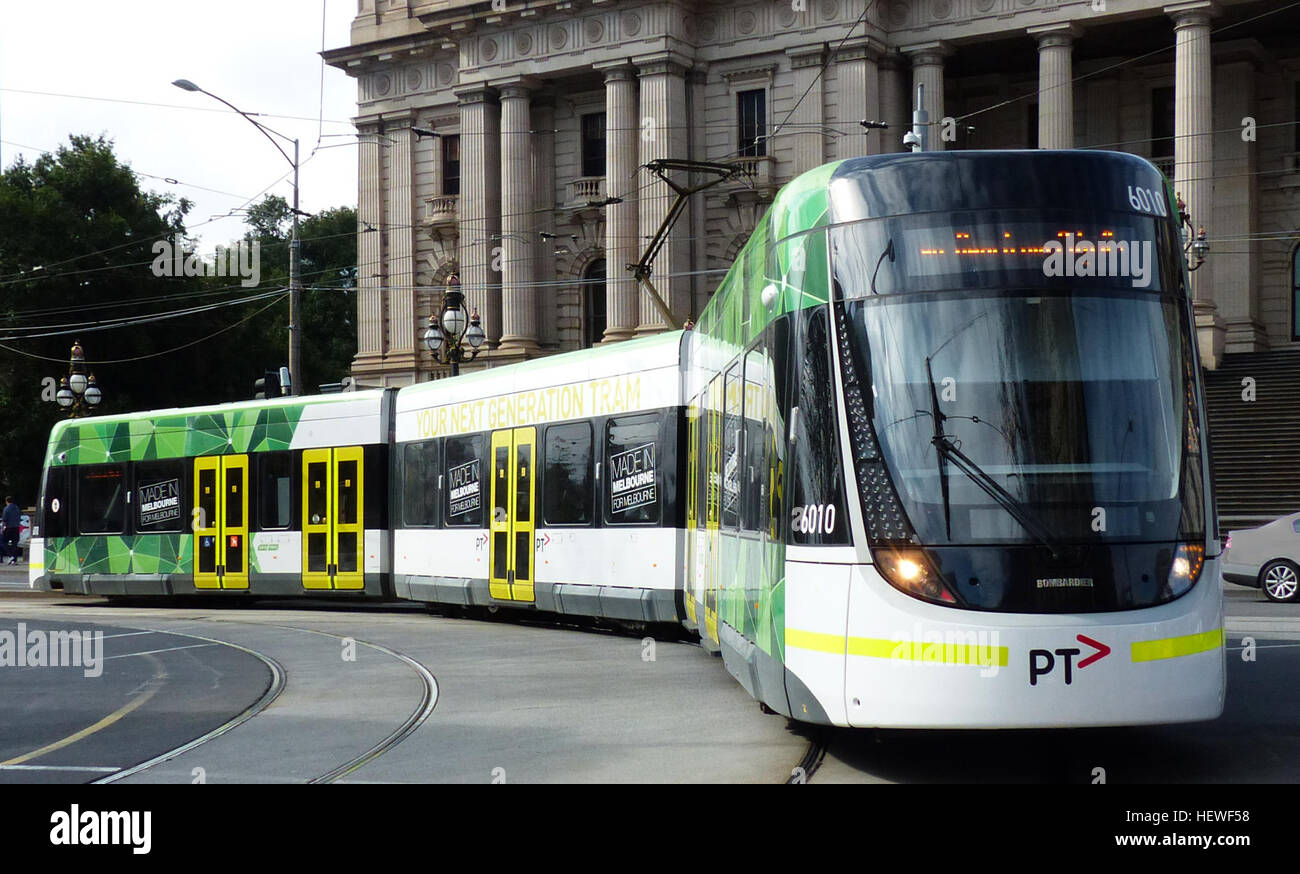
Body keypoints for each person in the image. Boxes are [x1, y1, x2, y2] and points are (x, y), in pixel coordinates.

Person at [2, 496, 21, 565]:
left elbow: (4, 520)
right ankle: (14, 560)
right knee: (15, 543)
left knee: (4, 542)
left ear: (7, 501)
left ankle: (10, 555)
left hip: (9, 527)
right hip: (16, 527)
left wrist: (2, 528)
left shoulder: (6, 509)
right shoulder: (17, 508)